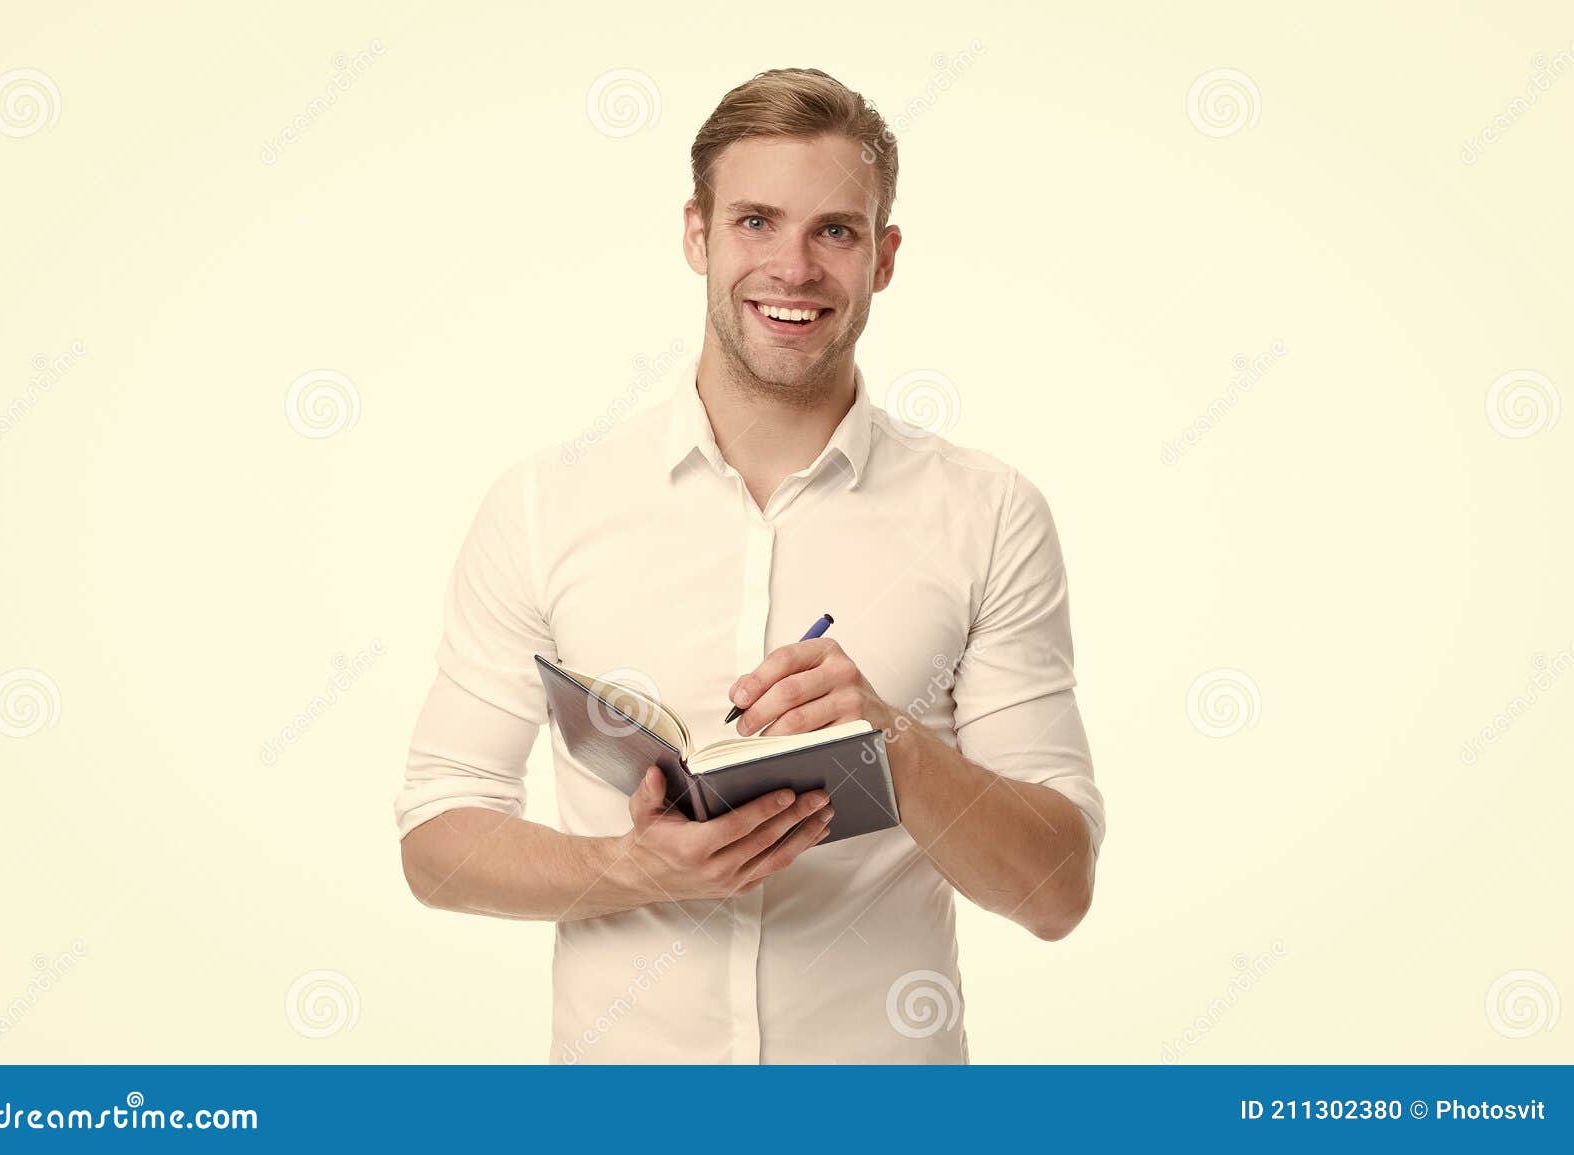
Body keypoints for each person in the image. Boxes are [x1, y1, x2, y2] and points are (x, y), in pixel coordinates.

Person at [395, 67, 1106, 1063]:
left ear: (883, 256)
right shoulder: (541, 505)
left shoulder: (989, 514)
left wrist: (891, 741)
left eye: (835, 231)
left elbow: (1055, 890)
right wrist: (636, 869)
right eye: (756, 222)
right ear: (697, 234)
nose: (793, 268)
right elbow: (438, 844)